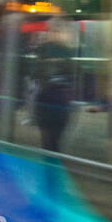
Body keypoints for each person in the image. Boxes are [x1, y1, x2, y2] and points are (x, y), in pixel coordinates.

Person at [34, 20, 74, 153]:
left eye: (56, 32)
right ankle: (52, 160)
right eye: (53, 32)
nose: (54, 34)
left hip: (55, 100)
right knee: (50, 137)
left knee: (52, 137)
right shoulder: (61, 50)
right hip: (51, 99)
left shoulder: (62, 51)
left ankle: (51, 159)